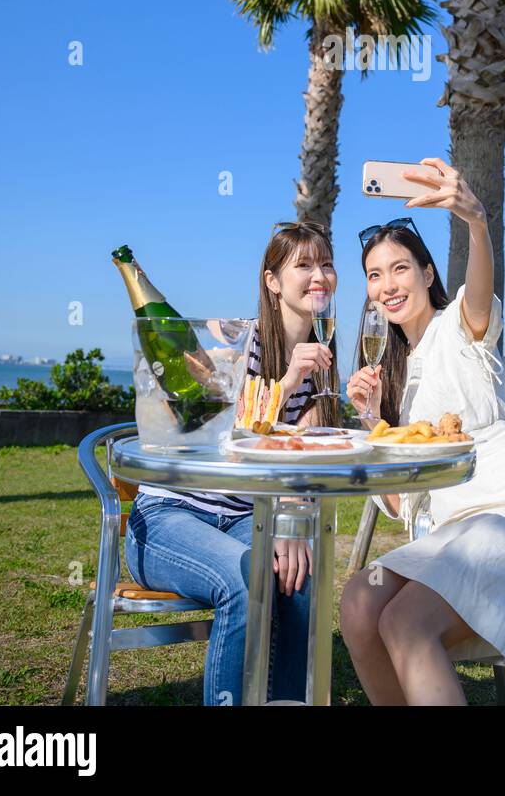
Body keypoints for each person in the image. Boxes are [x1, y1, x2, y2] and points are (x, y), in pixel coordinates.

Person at [342, 157, 505, 706]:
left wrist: (475, 221)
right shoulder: (400, 396)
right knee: (359, 602)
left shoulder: (462, 329)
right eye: (374, 275)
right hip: (451, 541)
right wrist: (373, 423)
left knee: (405, 622)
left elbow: (479, 287)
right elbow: (401, 508)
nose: (386, 285)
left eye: (400, 268)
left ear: (427, 274)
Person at [125, 221, 339, 705]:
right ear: (272, 282)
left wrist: (289, 516)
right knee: (245, 582)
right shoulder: (233, 339)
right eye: (303, 265)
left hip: (248, 517)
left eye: (326, 263)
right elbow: (219, 423)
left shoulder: (323, 353)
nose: (319, 274)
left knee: (300, 580)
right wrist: (285, 382)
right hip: (170, 516)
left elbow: (299, 453)